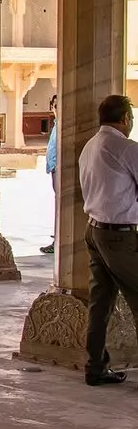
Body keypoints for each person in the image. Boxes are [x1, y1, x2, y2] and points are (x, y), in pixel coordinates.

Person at [78, 94, 138, 387]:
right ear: (126, 118)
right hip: (118, 235)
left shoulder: (90, 147)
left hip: (95, 231)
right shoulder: (126, 148)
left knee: (100, 302)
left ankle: (96, 366)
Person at [43, 95, 59, 255]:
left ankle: (59, 241)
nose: (58, 108)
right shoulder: (56, 125)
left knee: (62, 207)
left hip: (61, 170)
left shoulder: (64, 126)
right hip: (55, 170)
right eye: (55, 105)